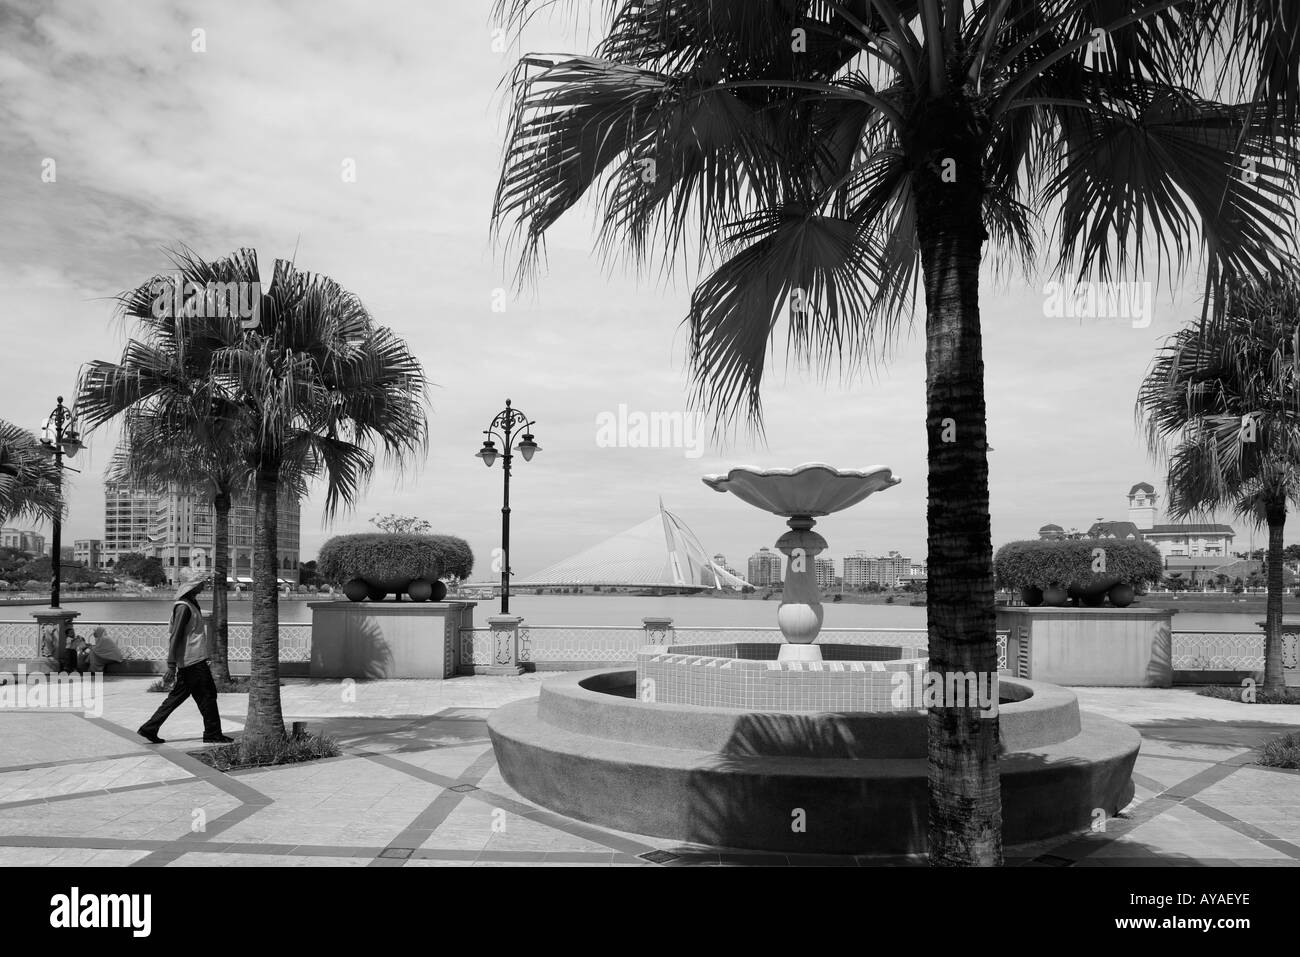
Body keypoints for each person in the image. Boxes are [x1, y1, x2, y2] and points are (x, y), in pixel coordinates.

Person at [137, 579, 233, 745]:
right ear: (192, 586)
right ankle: (212, 733)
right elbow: (175, 636)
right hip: (192, 662)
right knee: (207, 695)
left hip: (193, 660)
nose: (204, 586)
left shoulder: (190, 603)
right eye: (201, 583)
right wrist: (171, 664)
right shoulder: (183, 607)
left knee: (178, 697)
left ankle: (150, 728)